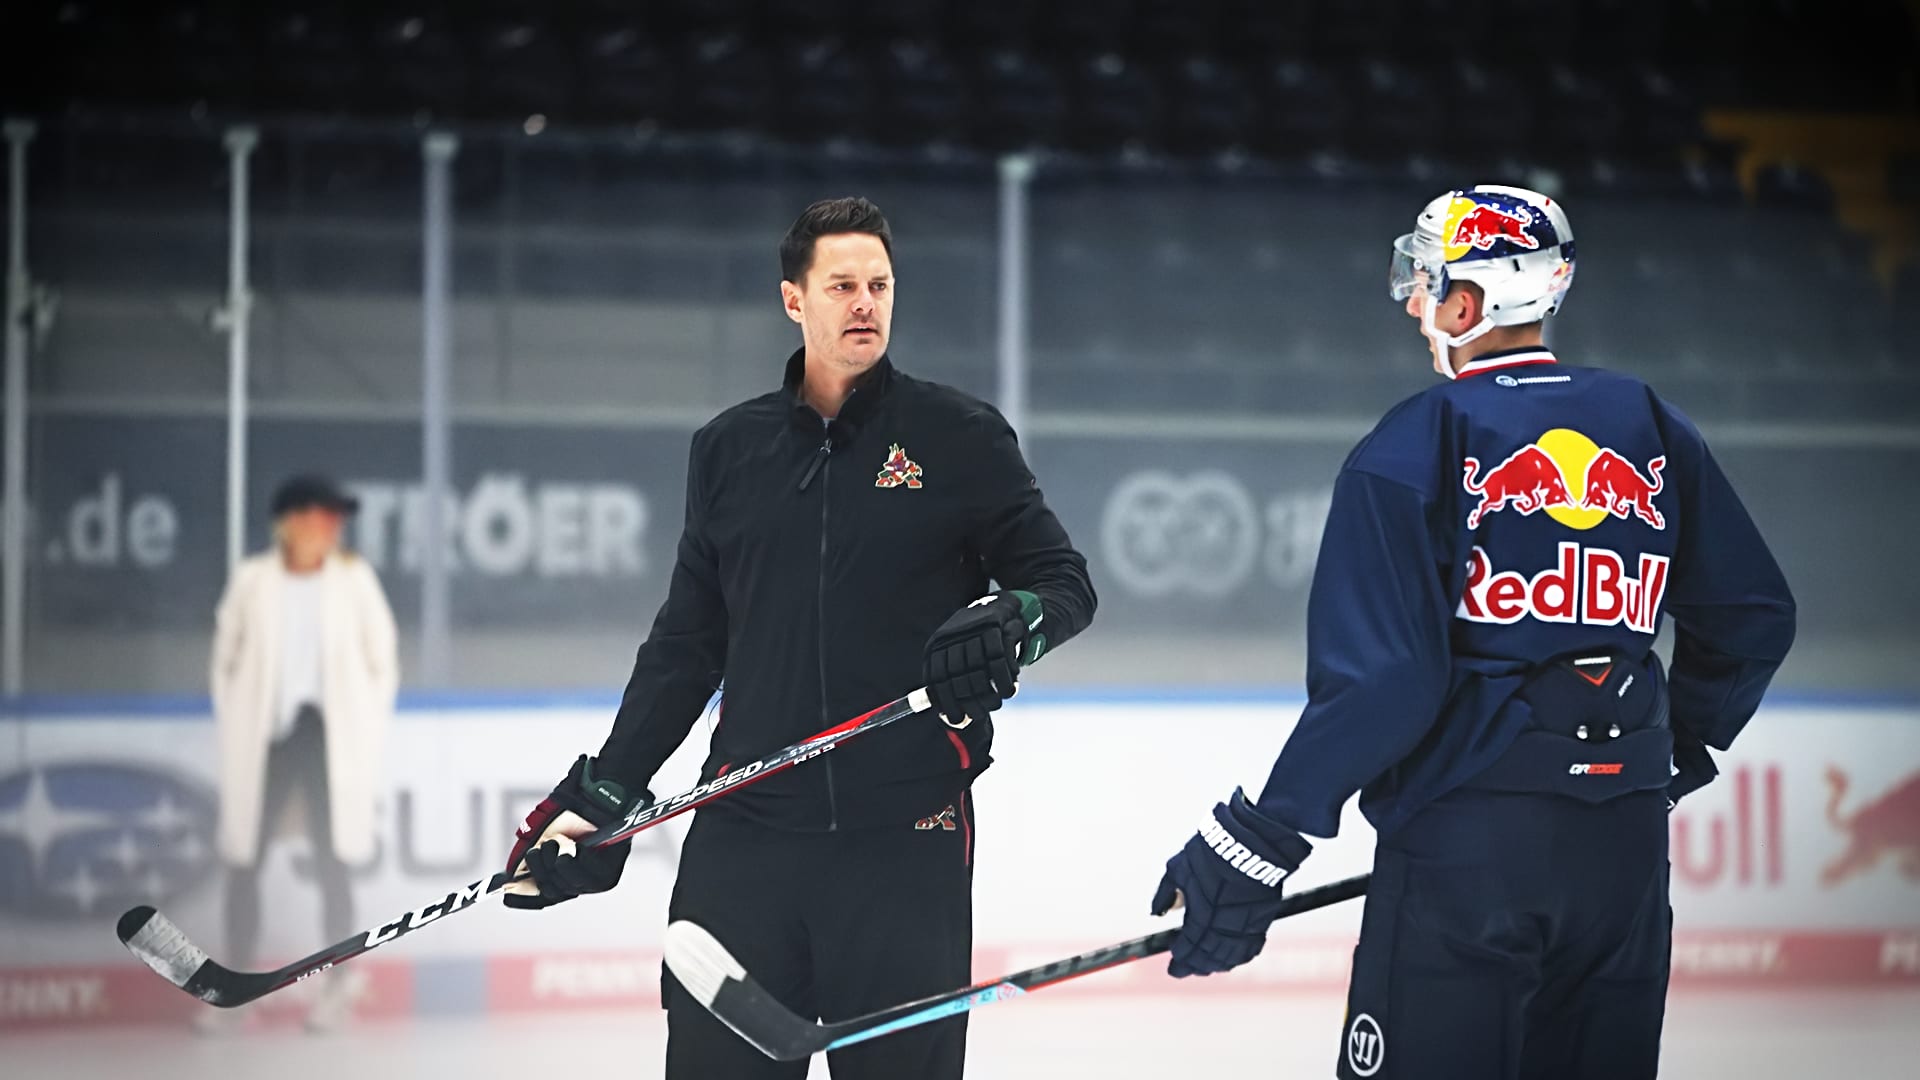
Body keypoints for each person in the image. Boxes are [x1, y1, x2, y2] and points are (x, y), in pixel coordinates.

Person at [1150, 185, 1796, 1079]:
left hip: (1468, 852)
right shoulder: (1648, 420)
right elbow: (1753, 617)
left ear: (1466, 303)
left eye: (1425, 284)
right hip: (1623, 854)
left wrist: (1258, 840)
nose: (1415, 305)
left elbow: (1385, 684)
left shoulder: (1420, 439)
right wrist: (1667, 744)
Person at [501, 196, 1096, 1078]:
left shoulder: (959, 436)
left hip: (904, 839)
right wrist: (608, 788)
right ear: (794, 299)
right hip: (745, 834)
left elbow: (1064, 585)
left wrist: (1016, 623)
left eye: (880, 285)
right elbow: (686, 644)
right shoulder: (728, 450)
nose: (866, 303)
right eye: (844, 285)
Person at [209, 474, 399, 1032]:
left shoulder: (353, 579)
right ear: (288, 522)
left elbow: (381, 658)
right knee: (245, 859)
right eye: (318, 517)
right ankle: (235, 985)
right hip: (267, 739)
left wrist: (363, 723)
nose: (328, 530)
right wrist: (239, 720)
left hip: (328, 737)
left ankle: (338, 983)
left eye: (334, 520)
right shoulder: (253, 581)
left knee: (331, 859)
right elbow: (226, 658)